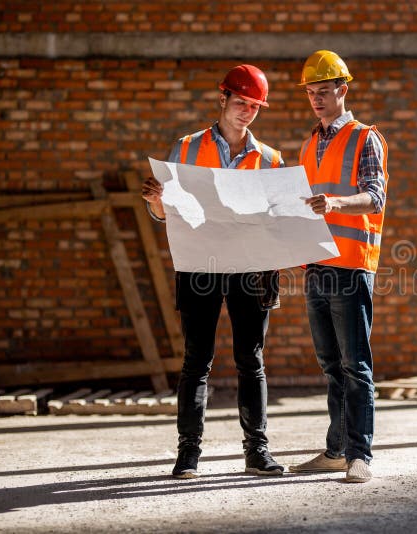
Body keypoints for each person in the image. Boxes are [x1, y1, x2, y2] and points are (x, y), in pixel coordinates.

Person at [141, 64, 284, 479]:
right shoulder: (186, 149)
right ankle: (188, 454)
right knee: (196, 360)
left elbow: (279, 218)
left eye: (255, 106)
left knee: (251, 360)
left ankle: (257, 452)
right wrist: (156, 203)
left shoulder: (270, 159)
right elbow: (168, 215)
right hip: (199, 265)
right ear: (223, 99)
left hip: (250, 268)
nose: (247, 112)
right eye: (241, 102)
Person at [289, 50, 389, 483]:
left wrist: (335, 203)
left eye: (324, 91)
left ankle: (359, 455)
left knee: (355, 365)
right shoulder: (308, 144)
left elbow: (375, 197)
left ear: (343, 90)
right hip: (316, 266)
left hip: (350, 266)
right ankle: (336, 450)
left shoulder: (364, 138)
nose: (316, 98)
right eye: (311, 92)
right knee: (331, 366)